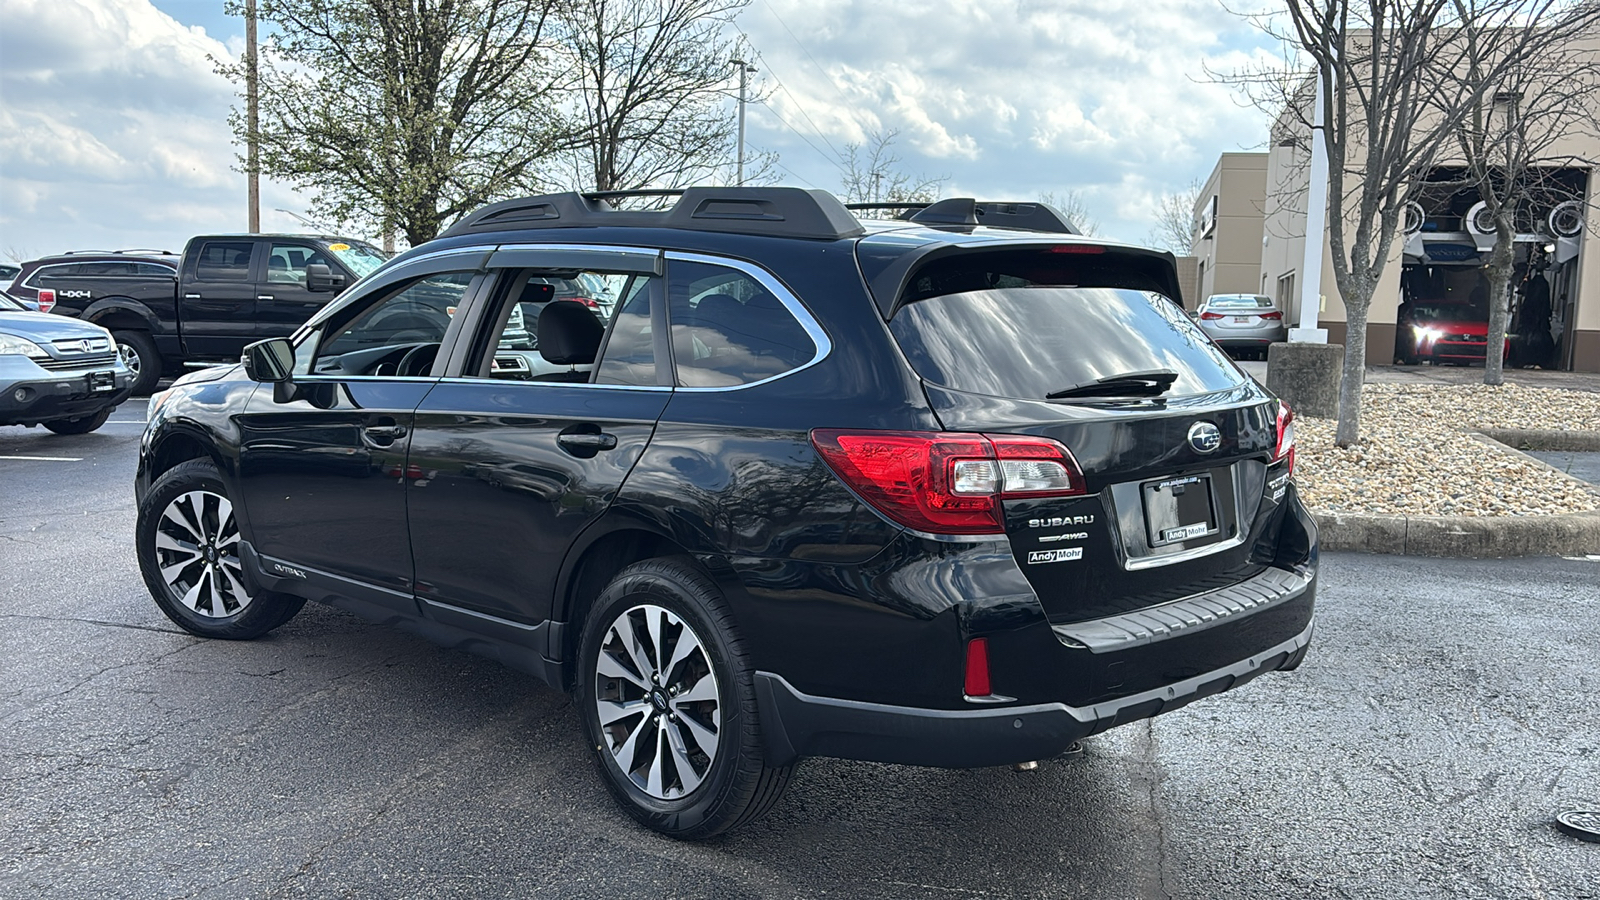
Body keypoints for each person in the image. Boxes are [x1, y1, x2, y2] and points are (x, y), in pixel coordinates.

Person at [1517, 269, 1553, 368]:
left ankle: (1528, 359)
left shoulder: (1535, 285)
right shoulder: (1542, 285)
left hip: (1532, 320)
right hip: (1538, 320)